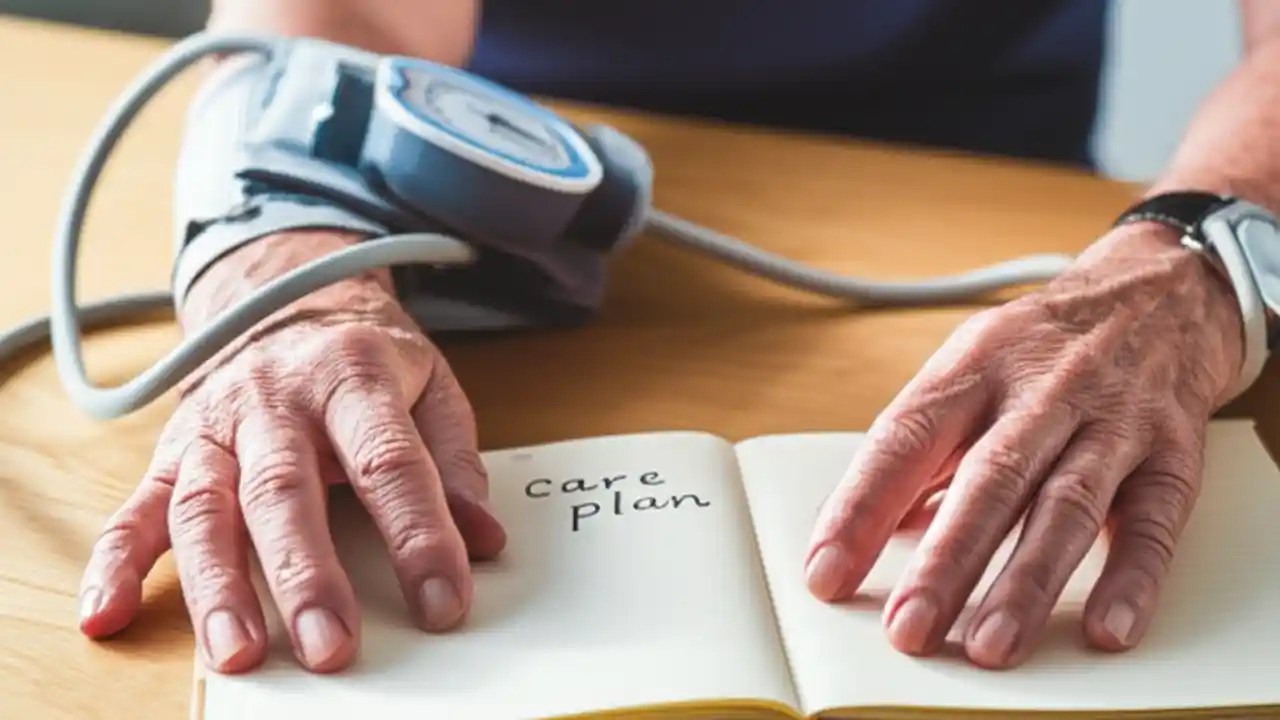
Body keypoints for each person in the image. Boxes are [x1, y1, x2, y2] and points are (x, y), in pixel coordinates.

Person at [74, 0, 1280, 676]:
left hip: (999, 196)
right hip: (496, 190)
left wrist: (1199, 253)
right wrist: (286, 279)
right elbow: (343, 15)